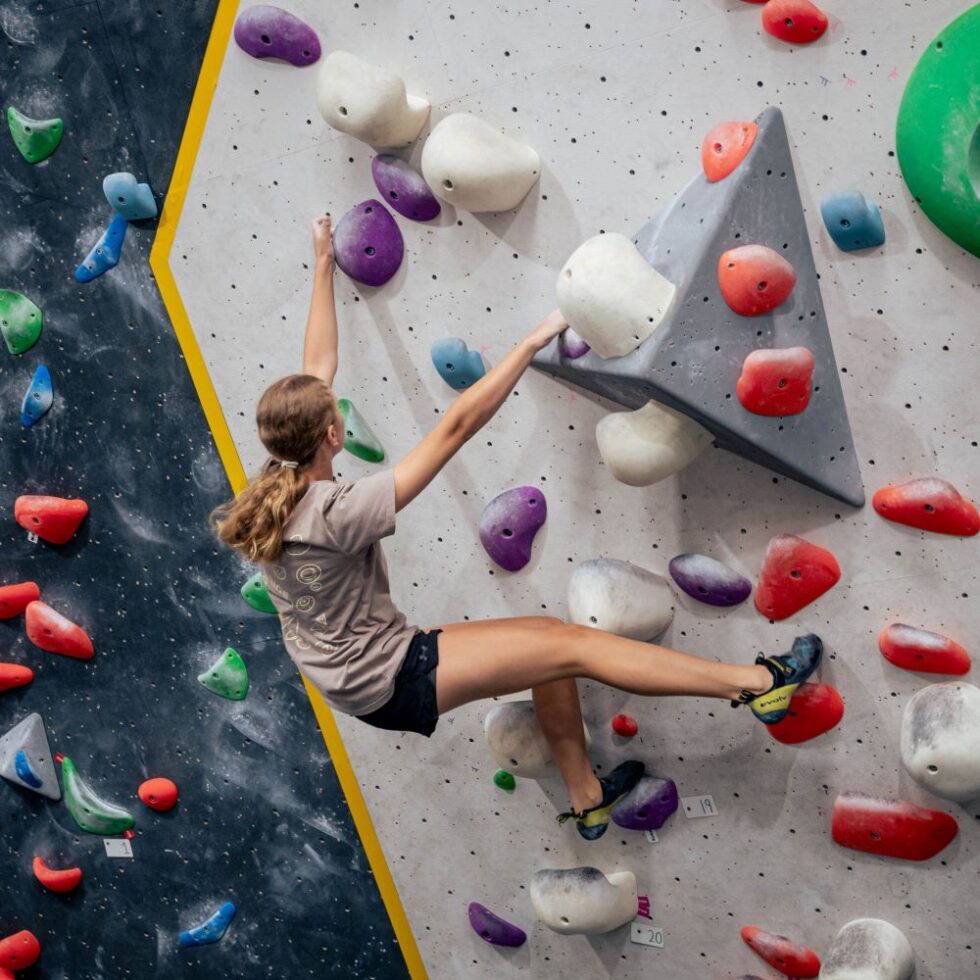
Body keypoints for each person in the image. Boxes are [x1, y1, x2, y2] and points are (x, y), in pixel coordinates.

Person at [212, 215, 824, 841]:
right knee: (575, 648)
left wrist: (322, 262)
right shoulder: (337, 510)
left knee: (547, 646)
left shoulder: (275, 479)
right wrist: (529, 343)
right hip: (389, 678)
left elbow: (317, 364)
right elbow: (454, 428)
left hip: (352, 675)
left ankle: (588, 800)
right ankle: (759, 684)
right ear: (332, 435)